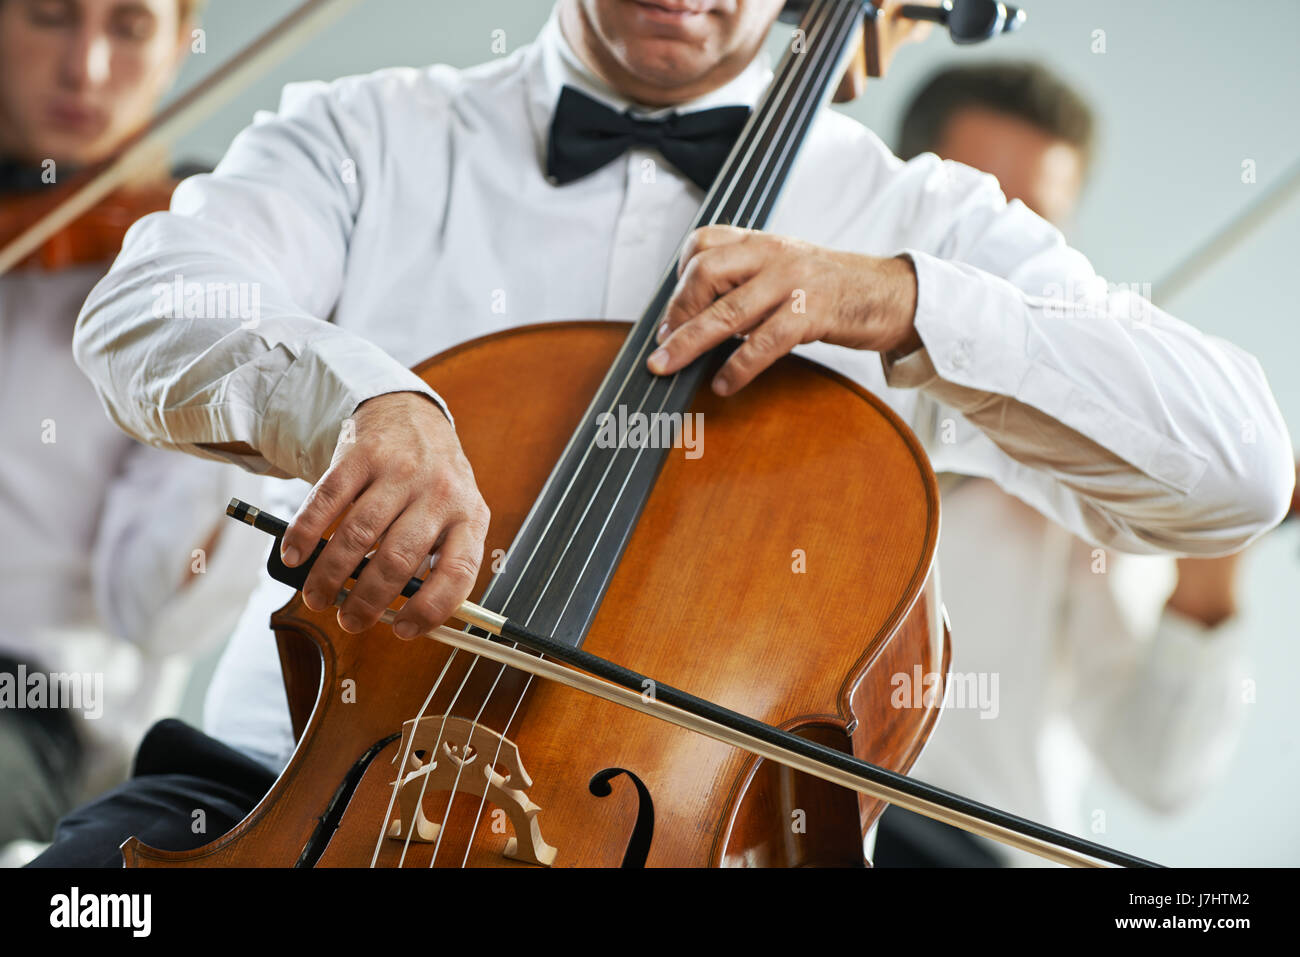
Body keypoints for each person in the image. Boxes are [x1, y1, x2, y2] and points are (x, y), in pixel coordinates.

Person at [33, 0, 1296, 867]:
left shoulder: (917, 217)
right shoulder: (362, 132)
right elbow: (147, 309)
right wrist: (365, 402)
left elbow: (1238, 466)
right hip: (289, 789)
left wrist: (910, 300)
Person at [872, 61, 1297, 867]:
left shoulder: (1091, 466)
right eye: (977, 207)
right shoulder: (800, 375)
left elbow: (1159, 771)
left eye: (1030, 226)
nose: (996, 252)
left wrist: (1212, 560)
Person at [0, 0, 260, 858]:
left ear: (183, 41)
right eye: (49, 17)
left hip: (32, 715)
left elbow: (156, 614)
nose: (87, 69)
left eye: (128, 27)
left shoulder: (170, 282)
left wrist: (232, 398)